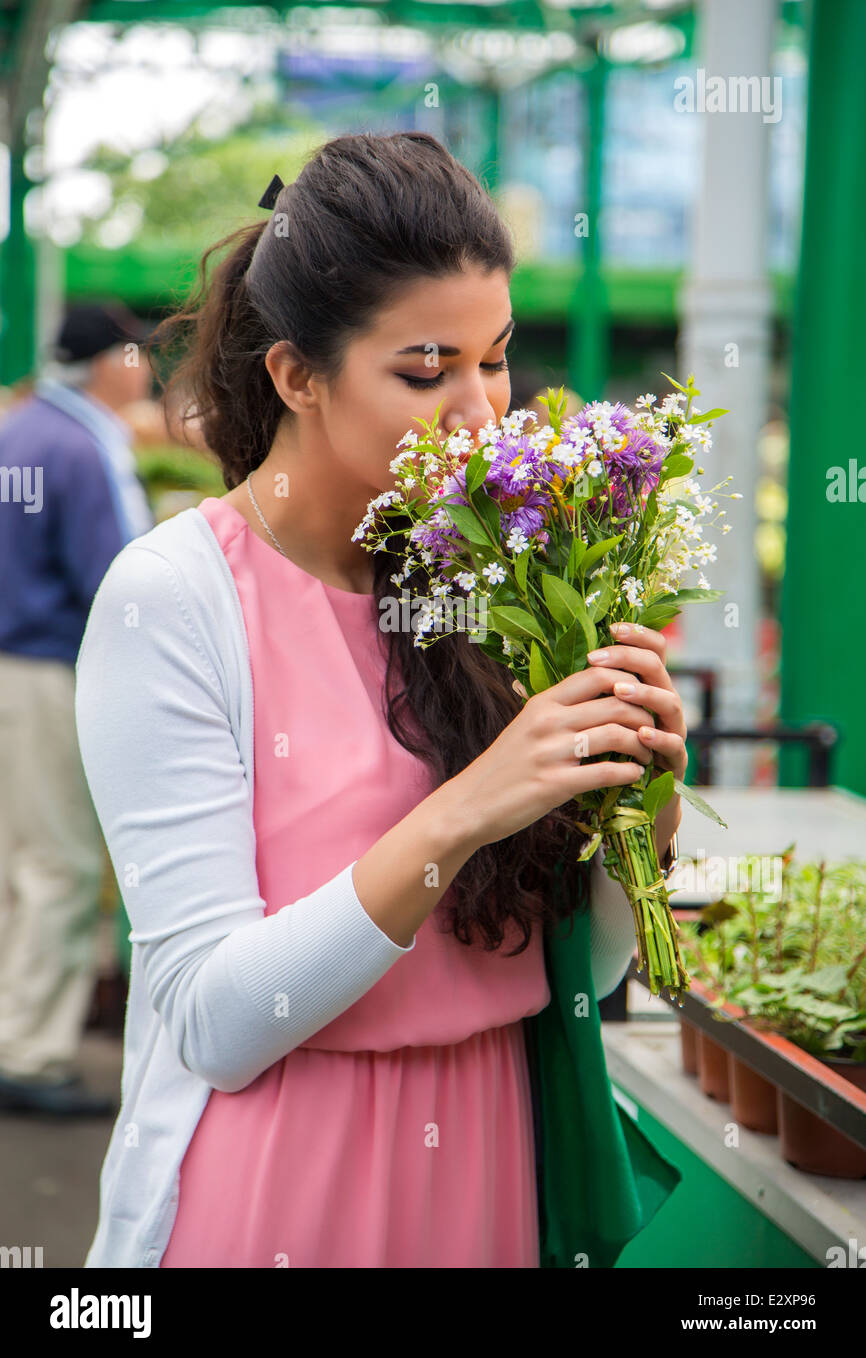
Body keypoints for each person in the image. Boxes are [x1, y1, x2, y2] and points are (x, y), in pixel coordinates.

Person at [75, 132, 687, 1267]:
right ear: (295, 375)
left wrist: (637, 798)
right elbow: (213, 1020)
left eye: (495, 359)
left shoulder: (495, 578)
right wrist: (467, 809)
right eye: (425, 370)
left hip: (490, 1157)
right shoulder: (172, 600)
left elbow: (577, 969)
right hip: (276, 1176)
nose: (480, 413)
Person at [0, 301, 155, 1117]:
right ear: (112, 362)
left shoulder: (22, 428)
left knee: (18, 867)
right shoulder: (83, 444)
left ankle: (14, 1034)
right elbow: (116, 581)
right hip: (48, 672)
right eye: (140, 355)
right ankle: (32, 1055)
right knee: (57, 865)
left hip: (9, 668)